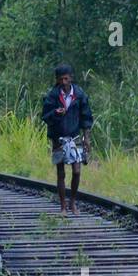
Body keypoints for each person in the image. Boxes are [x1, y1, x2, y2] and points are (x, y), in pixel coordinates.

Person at [40, 63, 93, 214]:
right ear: (57, 80)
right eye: (61, 79)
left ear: (71, 78)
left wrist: (87, 137)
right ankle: (63, 206)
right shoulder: (52, 95)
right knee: (61, 172)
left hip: (75, 136)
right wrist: (56, 113)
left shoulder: (79, 94)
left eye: (66, 79)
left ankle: (73, 202)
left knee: (77, 171)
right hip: (58, 137)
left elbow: (86, 117)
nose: (64, 82)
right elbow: (45, 116)